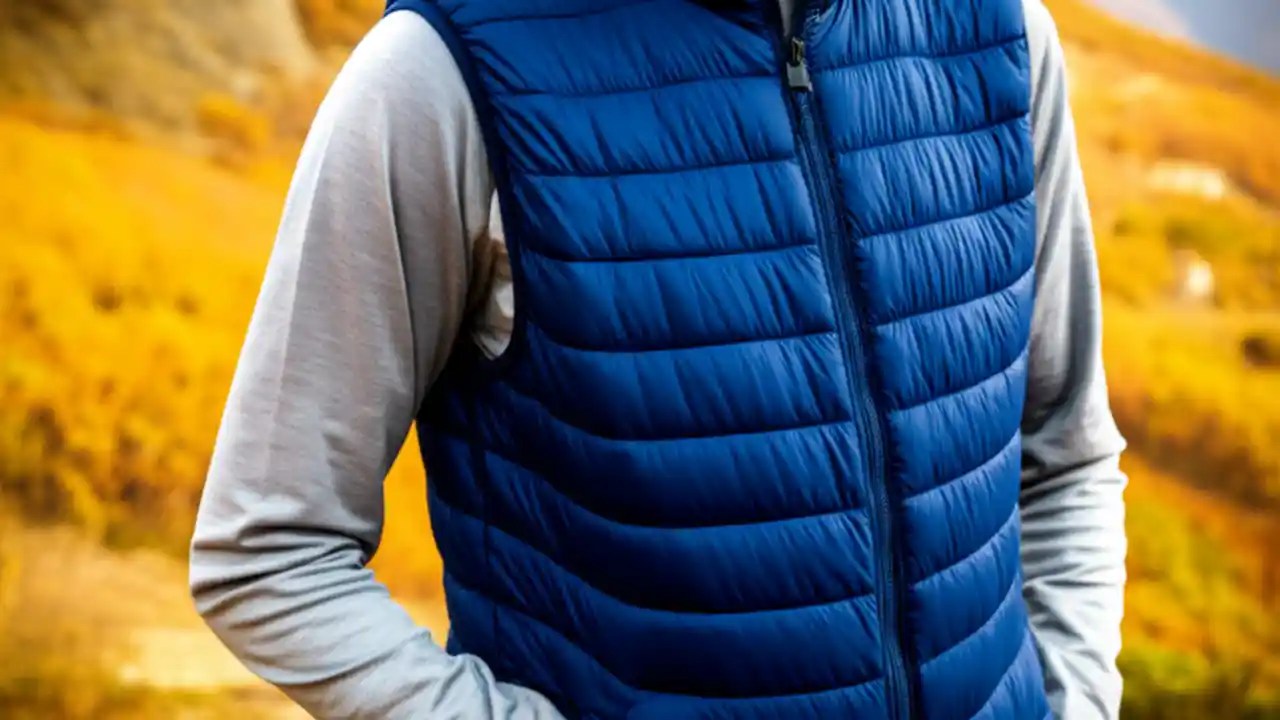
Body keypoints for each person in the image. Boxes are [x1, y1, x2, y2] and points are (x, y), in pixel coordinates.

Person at [190, 0, 1128, 718]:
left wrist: (1076, 699)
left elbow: (1065, 453)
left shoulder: (998, 35)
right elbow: (269, 550)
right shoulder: (439, 77)